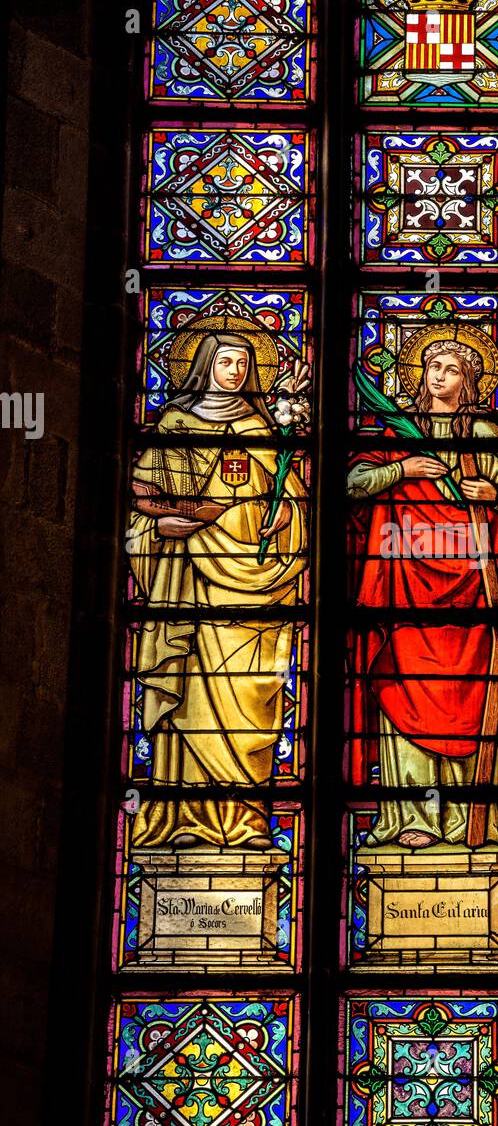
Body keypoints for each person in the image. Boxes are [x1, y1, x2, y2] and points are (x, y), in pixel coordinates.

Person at [128, 324, 307, 848]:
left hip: (253, 587)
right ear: (205, 364)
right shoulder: (176, 423)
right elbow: (142, 489)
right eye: (226, 362)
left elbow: (289, 496)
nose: (236, 372)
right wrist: (160, 525)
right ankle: (181, 818)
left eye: (243, 364)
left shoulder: (259, 427)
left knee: (247, 695)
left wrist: (288, 517)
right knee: (188, 691)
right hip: (189, 583)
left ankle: (245, 819)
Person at [348, 332, 498, 850]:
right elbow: (351, 484)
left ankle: (469, 821)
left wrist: (492, 491)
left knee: (467, 703)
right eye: (431, 366)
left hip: (472, 594)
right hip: (404, 588)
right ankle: (412, 820)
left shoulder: (484, 431)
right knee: (404, 693)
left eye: (450, 368)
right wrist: (404, 468)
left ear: (469, 379)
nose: (438, 376)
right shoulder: (398, 432)